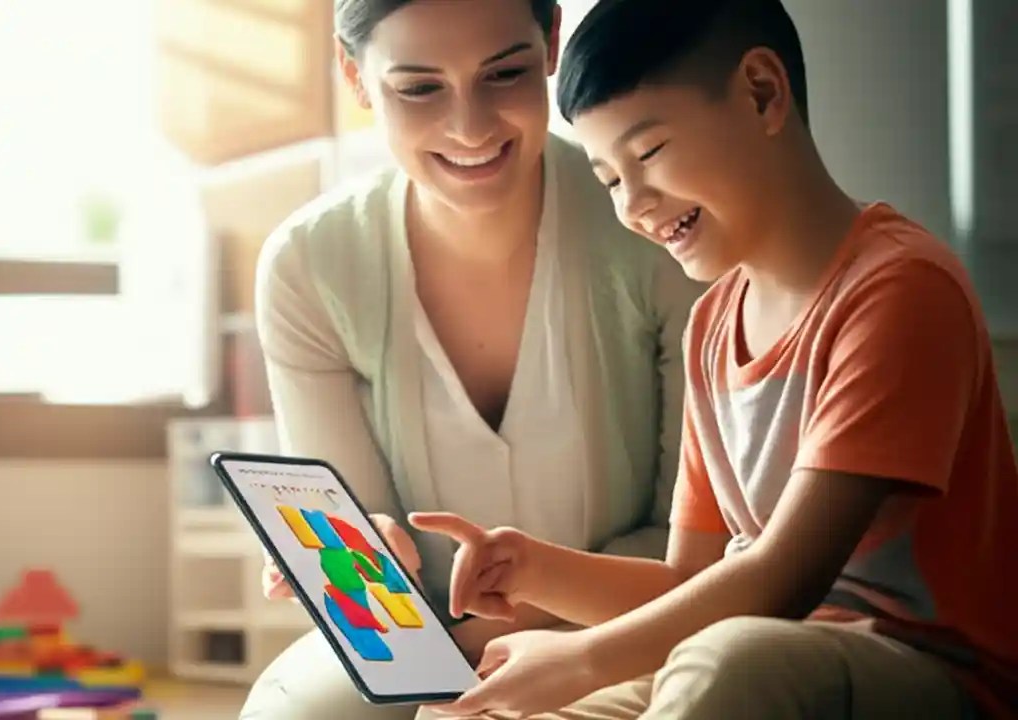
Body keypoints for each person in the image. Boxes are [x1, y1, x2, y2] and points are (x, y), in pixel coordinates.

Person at [409, 0, 1018, 718]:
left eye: (650, 153)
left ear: (763, 93)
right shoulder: (710, 326)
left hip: (926, 673)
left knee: (727, 660)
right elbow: (689, 584)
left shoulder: (899, 289)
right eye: (609, 179)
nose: (634, 203)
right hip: (750, 657)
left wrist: (580, 657)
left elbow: (780, 581)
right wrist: (537, 571)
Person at [243, 1, 704, 718]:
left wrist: (518, 626)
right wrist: (355, 558)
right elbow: (356, 542)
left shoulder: (656, 224)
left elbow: (702, 543)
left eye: (505, 73)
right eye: (420, 88)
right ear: (353, 74)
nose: (471, 127)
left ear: (552, 41)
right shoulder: (310, 266)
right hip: (421, 643)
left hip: (637, 623)